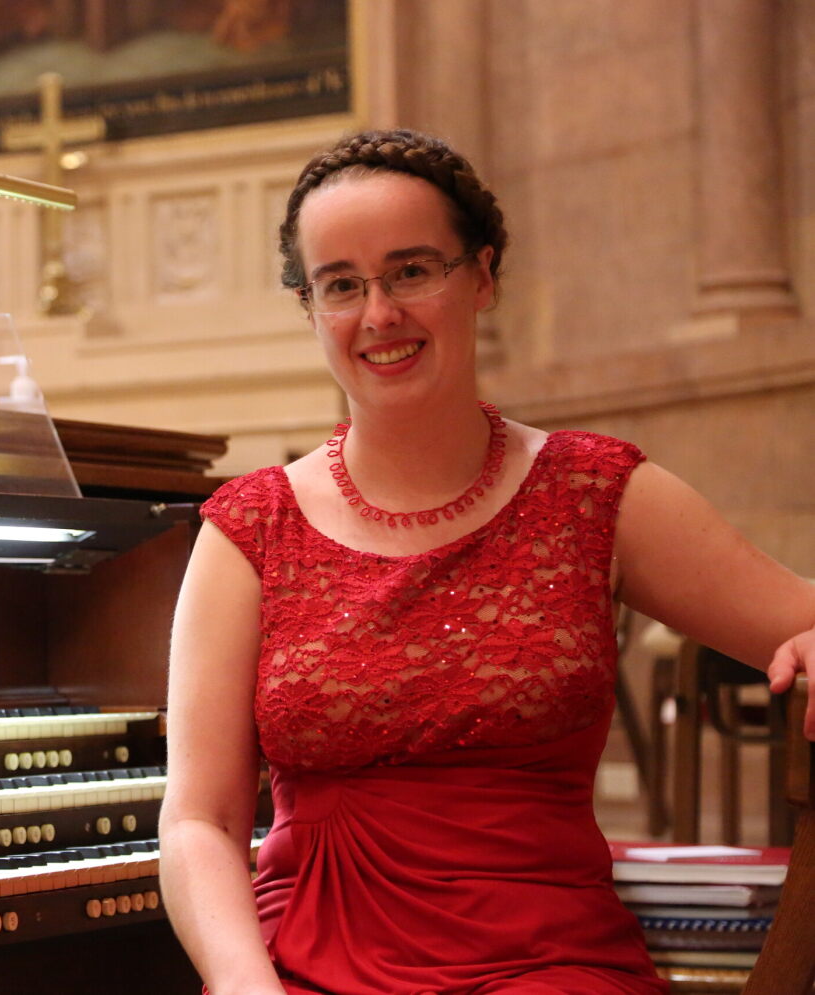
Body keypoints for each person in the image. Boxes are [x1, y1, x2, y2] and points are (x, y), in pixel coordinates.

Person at [158, 128, 815, 995]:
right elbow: (199, 819)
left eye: (411, 271)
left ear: (483, 277)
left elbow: (801, 613)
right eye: (341, 285)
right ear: (308, 307)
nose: (378, 314)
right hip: (300, 966)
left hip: (548, 966)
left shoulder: (591, 491)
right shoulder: (249, 527)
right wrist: (244, 982)